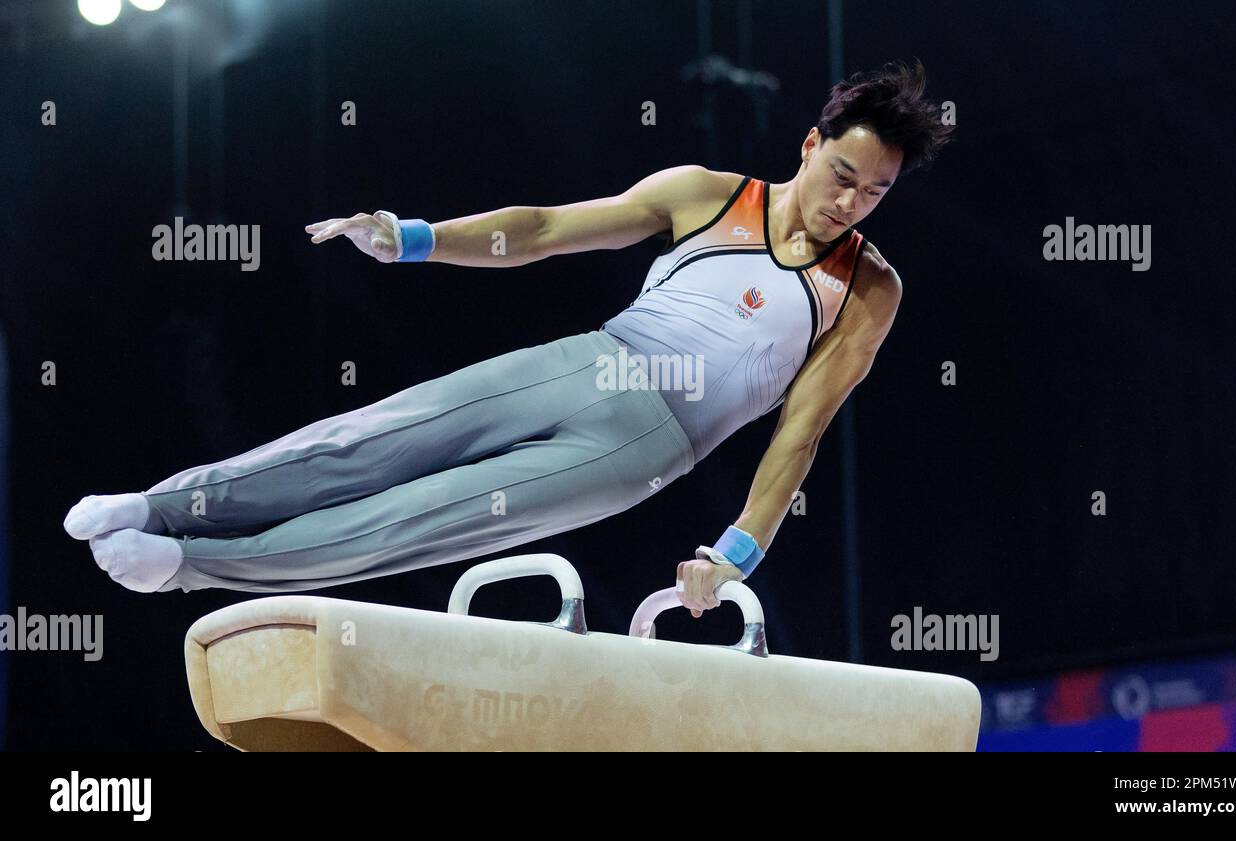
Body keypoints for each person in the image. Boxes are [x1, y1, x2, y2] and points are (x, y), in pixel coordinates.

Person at [63, 60, 953, 617]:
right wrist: (413, 237)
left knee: (411, 519)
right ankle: (165, 504)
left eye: (874, 193)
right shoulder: (709, 193)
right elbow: (541, 229)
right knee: (369, 440)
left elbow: (800, 433)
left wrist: (733, 554)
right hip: (586, 360)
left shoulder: (868, 290)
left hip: (644, 449)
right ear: (810, 144)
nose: (849, 202)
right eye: (843, 175)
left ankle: (189, 565)